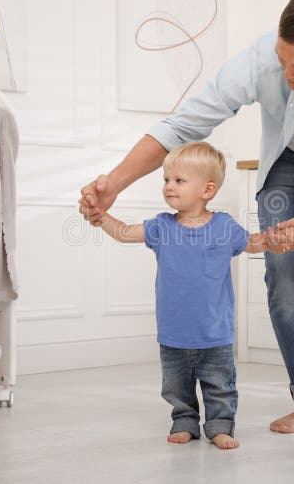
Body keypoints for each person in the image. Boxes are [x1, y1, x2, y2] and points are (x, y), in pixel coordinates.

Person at [80, 0, 294, 443]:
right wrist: (114, 183)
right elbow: (184, 125)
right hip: (290, 162)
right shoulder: (262, 59)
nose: (288, 71)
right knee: (281, 270)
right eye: (283, 60)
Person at [91, 142, 270, 449]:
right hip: (173, 333)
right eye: (166, 180)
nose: (169, 187)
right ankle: (185, 420)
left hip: (215, 333)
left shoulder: (224, 227)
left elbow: (252, 243)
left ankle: (220, 424)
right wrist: (99, 216)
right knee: (176, 387)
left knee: (220, 386)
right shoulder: (162, 226)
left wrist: (275, 239)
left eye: (179, 180)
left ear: (207, 189)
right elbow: (123, 233)